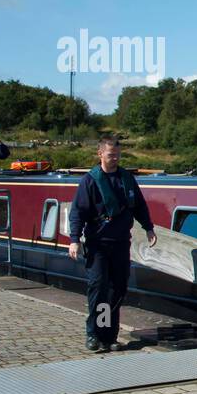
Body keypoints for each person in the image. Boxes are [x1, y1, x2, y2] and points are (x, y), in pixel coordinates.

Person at [68, 136, 157, 353]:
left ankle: (109, 336)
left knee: (117, 289)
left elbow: (139, 205)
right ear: (100, 154)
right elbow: (78, 212)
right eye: (111, 155)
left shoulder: (126, 179)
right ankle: (93, 334)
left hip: (120, 243)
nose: (115, 158)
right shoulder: (90, 181)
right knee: (98, 287)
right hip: (98, 243)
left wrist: (148, 227)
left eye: (117, 155)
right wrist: (74, 240)